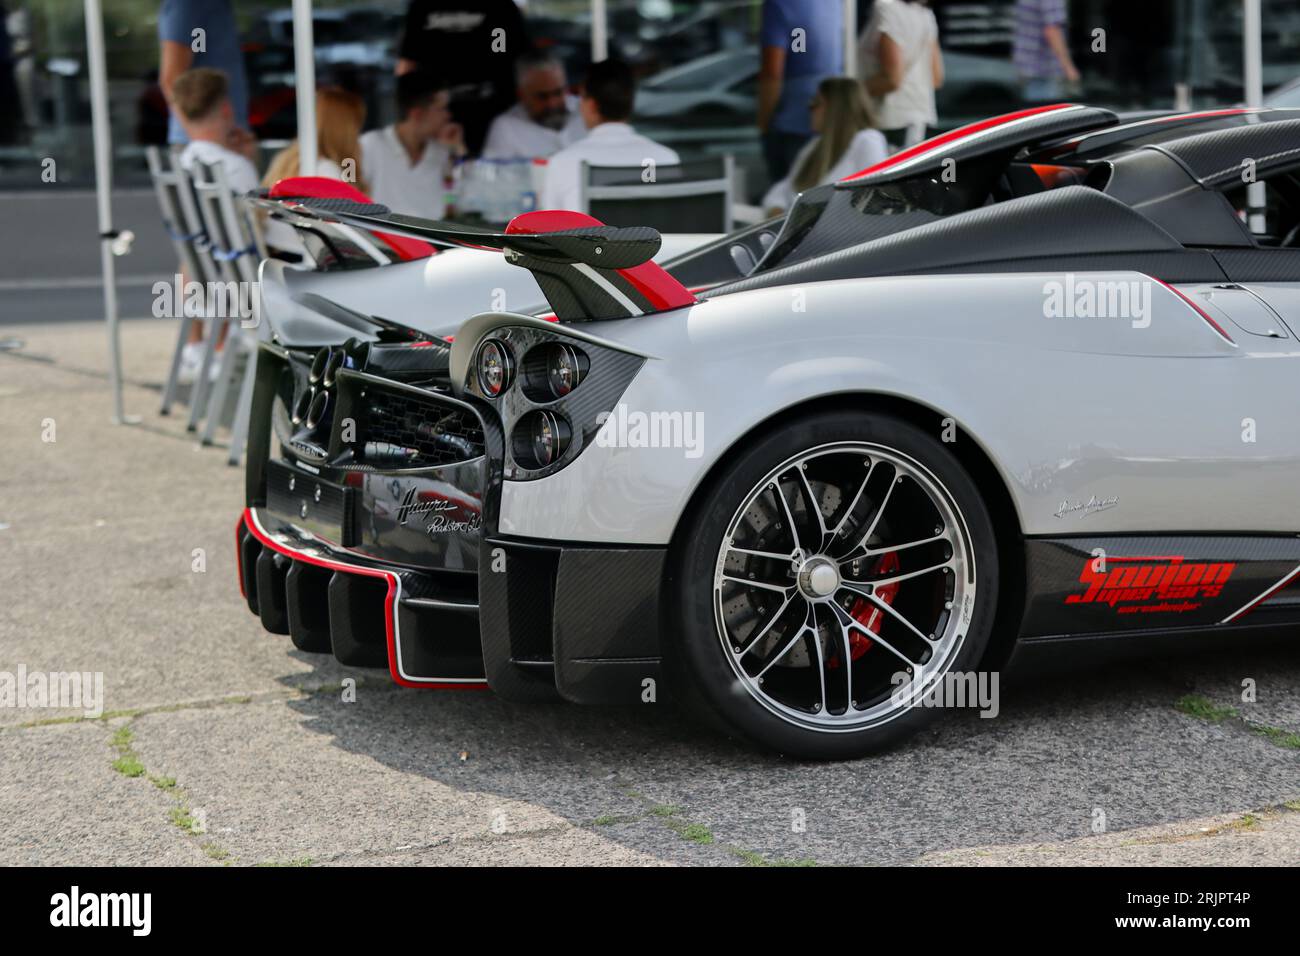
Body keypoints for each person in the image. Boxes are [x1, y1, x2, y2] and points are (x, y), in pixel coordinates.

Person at [169, 67, 259, 383]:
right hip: (242, 294)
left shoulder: (182, 165)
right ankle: (223, 345)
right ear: (225, 109)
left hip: (197, 287)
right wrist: (248, 161)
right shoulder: (235, 168)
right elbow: (256, 235)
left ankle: (200, 345)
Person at [539, 58, 679, 213]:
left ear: (591, 105)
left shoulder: (562, 163)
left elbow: (550, 229)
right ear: (631, 102)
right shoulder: (666, 159)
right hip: (652, 238)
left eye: (581, 98)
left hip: (588, 237)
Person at [395, 0, 530, 154]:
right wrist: (409, 114)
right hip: (439, 112)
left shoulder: (502, 8)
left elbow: (522, 66)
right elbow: (408, 65)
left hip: (492, 111)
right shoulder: (423, 6)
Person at [262, 88, 368, 259]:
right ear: (345, 130)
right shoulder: (327, 171)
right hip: (307, 265)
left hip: (277, 260)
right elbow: (348, 234)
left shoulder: (288, 160)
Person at [762, 78, 887, 214]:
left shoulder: (867, 140)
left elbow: (874, 196)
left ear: (835, 108)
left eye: (815, 103)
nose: (810, 109)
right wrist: (776, 209)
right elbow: (784, 187)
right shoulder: (815, 144)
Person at [757, 0, 843, 183]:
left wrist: (764, 122)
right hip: (832, 110)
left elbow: (773, 71)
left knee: (789, 189)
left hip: (793, 118)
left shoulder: (780, 5)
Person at [360, 70, 465, 220]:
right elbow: (350, 195)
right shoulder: (371, 144)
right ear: (417, 113)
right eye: (441, 108)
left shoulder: (442, 151)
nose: (448, 115)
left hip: (434, 240)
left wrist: (457, 150)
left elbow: (458, 202)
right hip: (381, 240)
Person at [157, 0, 250, 146]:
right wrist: (200, 139)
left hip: (223, 137)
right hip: (206, 142)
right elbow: (172, 78)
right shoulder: (189, 4)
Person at [858, 0, 944, 149]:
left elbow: (891, 79)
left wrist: (850, 94)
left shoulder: (887, 8)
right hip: (916, 123)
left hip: (888, 122)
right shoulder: (925, 14)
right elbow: (936, 78)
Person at [481, 51, 587, 160]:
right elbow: (494, 174)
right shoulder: (506, 128)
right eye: (542, 96)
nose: (552, 103)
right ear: (521, 95)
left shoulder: (587, 110)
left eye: (558, 93)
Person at [1012, 0, 1080, 103]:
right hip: (1044, 68)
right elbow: (1052, 31)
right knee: (1046, 114)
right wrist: (1069, 69)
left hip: (1026, 64)